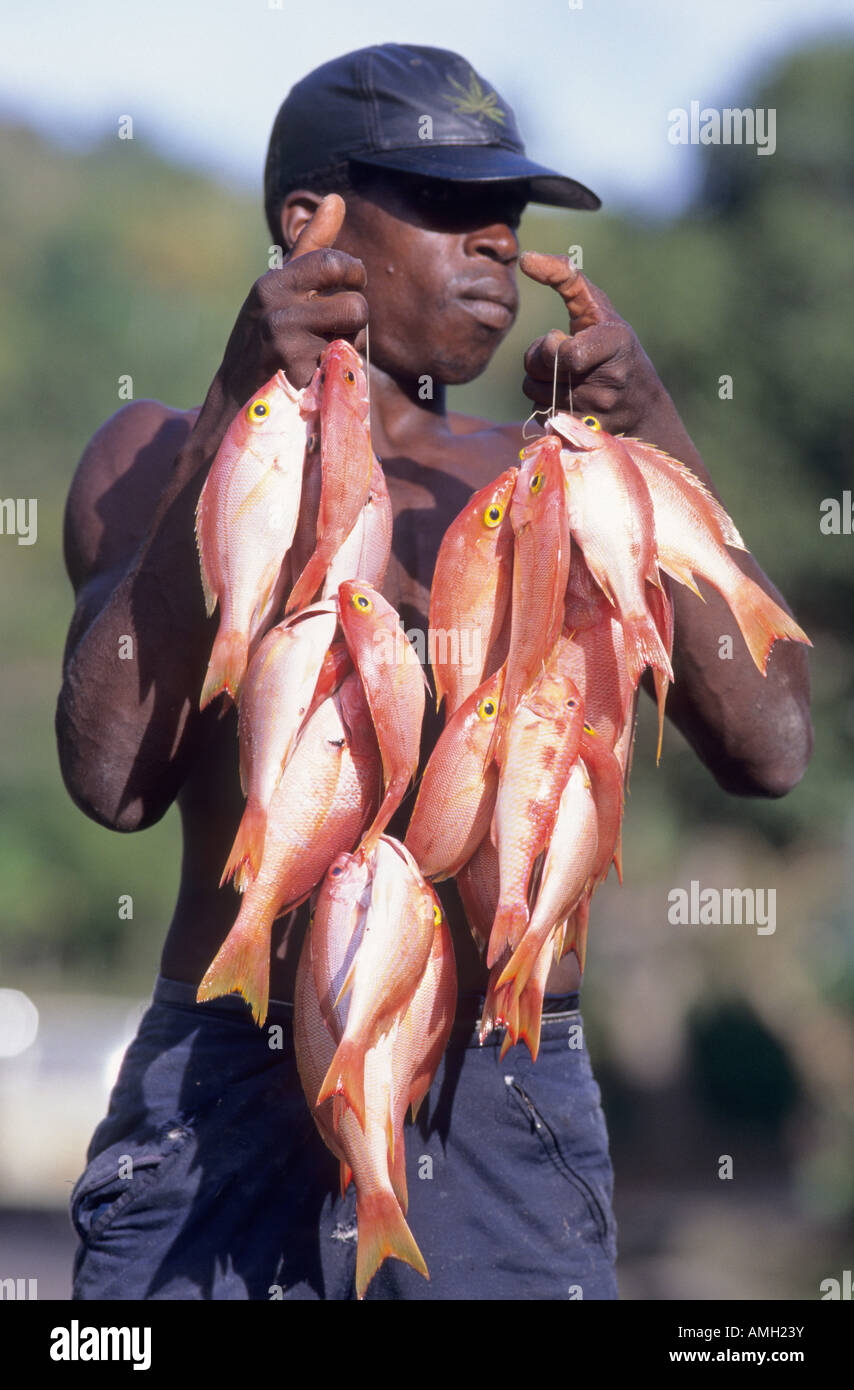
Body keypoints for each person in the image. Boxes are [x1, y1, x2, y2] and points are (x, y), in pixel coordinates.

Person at [56, 43, 812, 1301]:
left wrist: (651, 430)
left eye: (508, 217)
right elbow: (109, 776)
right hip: (227, 1082)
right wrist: (237, 394)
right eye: (452, 206)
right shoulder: (157, 454)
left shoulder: (560, 484)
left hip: (495, 1094)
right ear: (311, 221)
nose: (499, 243)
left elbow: (769, 748)